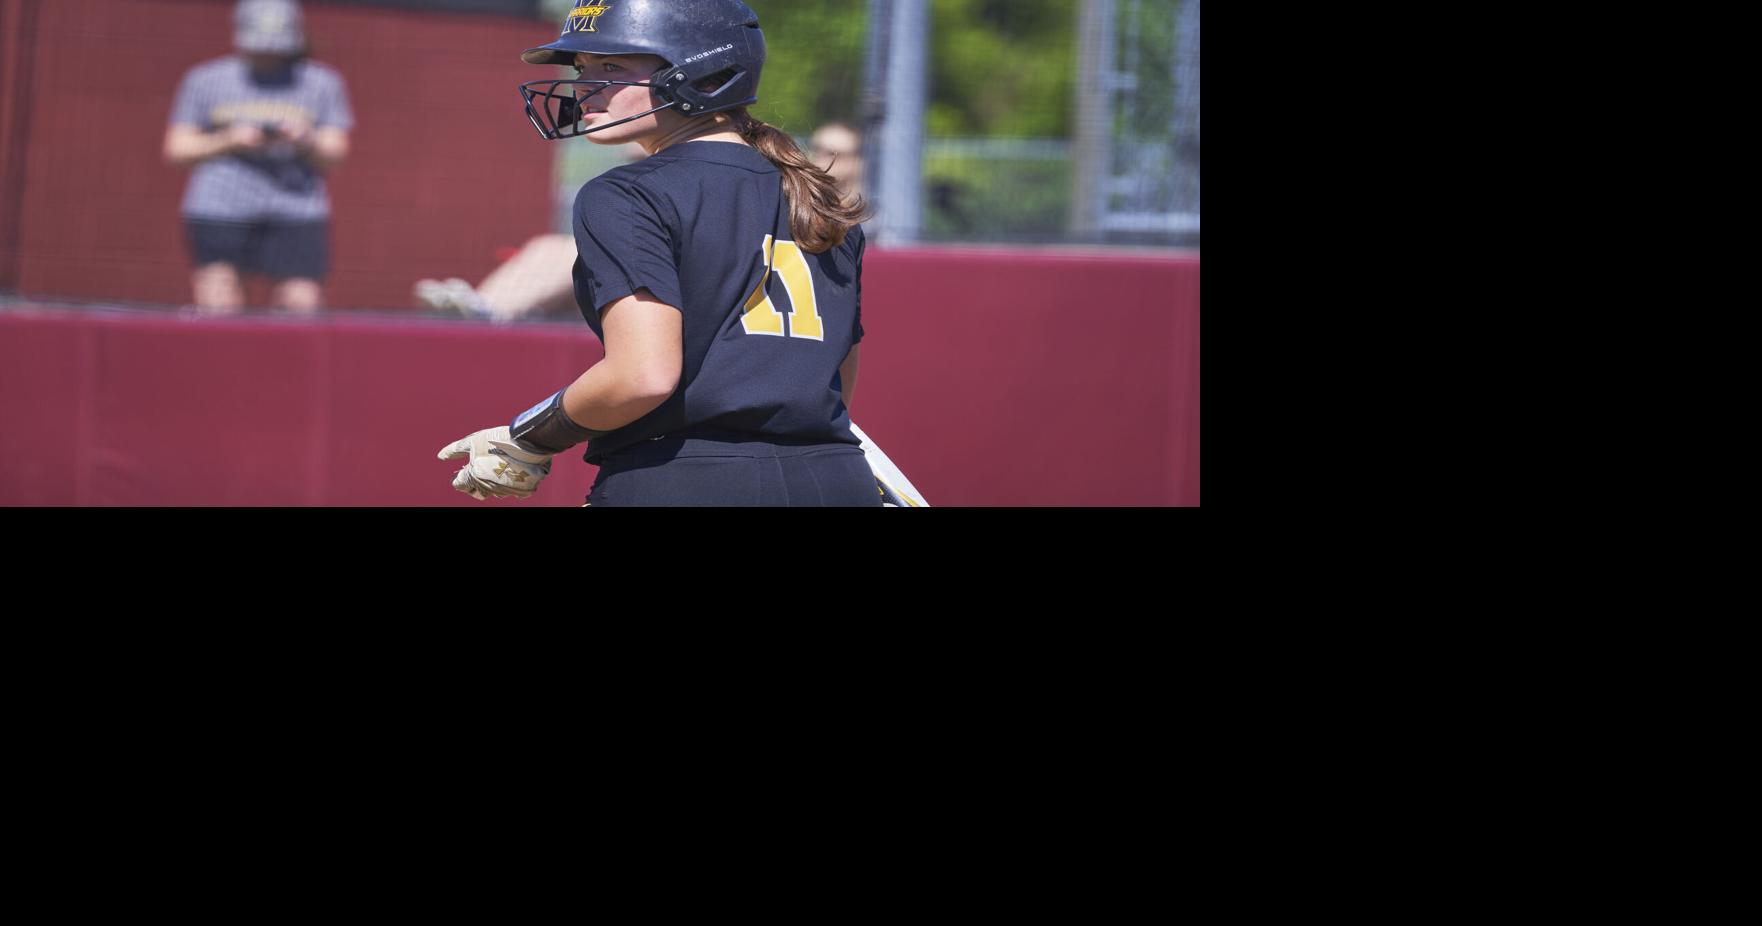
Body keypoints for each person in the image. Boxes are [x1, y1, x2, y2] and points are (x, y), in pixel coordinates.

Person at [438, 0, 876, 506]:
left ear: (704, 75)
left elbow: (642, 375)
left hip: (683, 478)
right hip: (835, 479)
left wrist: (530, 434)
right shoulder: (815, 195)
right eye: (583, 69)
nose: (586, 88)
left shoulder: (628, 192)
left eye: (613, 66)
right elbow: (836, 381)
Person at [163, 0, 352, 315]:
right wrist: (229, 140)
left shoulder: (321, 83)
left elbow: (336, 153)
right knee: (218, 301)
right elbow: (177, 149)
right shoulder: (205, 80)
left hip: (296, 209)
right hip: (220, 207)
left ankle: (289, 364)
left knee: (301, 302)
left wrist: (305, 140)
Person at [809, 122, 865, 204]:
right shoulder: (800, 206)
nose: (820, 159)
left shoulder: (874, 212)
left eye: (831, 154)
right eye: (816, 150)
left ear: (856, 160)